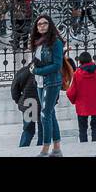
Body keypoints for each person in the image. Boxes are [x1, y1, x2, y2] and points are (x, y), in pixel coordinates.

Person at [29, 14, 65, 156]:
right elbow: (38, 60)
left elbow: (57, 65)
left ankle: (45, 148)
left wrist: (37, 70)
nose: (42, 26)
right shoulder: (38, 42)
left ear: (50, 25)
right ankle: (56, 149)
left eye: (44, 23)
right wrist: (33, 67)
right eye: (39, 24)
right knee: (50, 114)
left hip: (52, 82)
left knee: (45, 115)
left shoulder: (55, 42)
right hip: (40, 82)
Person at [65, 51, 96, 143]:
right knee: (95, 127)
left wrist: (73, 100)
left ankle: (83, 149)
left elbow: (71, 92)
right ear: (91, 60)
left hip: (82, 106)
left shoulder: (77, 74)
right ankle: (95, 147)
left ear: (80, 62)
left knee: (82, 129)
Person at [11, 60, 40, 148]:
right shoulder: (46, 71)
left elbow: (14, 90)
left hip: (28, 103)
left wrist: (19, 101)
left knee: (28, 130)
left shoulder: (23, 71)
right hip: (42, 103)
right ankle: (41, 149)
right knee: (43, 129)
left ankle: (22, 150)